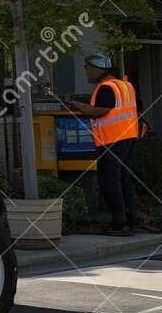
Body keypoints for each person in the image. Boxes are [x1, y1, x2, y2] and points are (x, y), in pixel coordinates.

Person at [60, 54, 142, 235]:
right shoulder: (124, 85)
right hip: (128, 137)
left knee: (109, 181)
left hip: (112, 140)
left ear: (97, 69)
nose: (86, 72)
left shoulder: (105, 88)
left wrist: (75, 105)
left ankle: (119, 224)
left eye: (87, 68)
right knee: (123, 179)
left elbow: (99, 111)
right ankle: (131, 220)